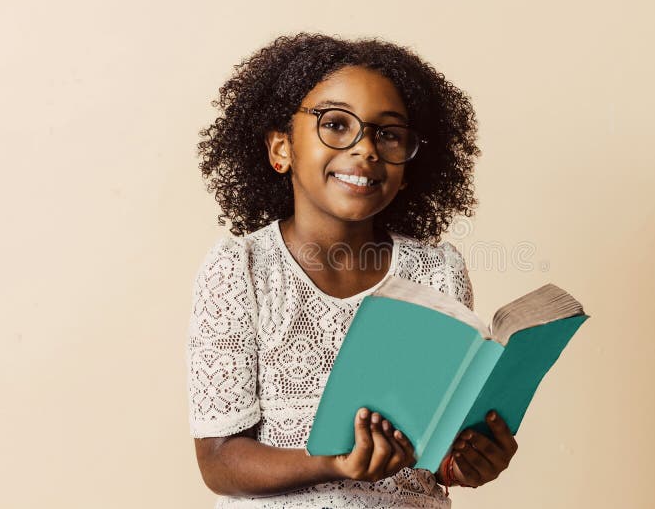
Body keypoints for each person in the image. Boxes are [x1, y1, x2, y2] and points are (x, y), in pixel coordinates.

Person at [186, 32, 519, 508]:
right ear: (281, 148)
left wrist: (464, 464)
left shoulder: (438, 271)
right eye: (336, 124)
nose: (365, 150)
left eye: (388, 133)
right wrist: (330, 462)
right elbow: (218, 459)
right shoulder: (241, 271)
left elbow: (432, 446)